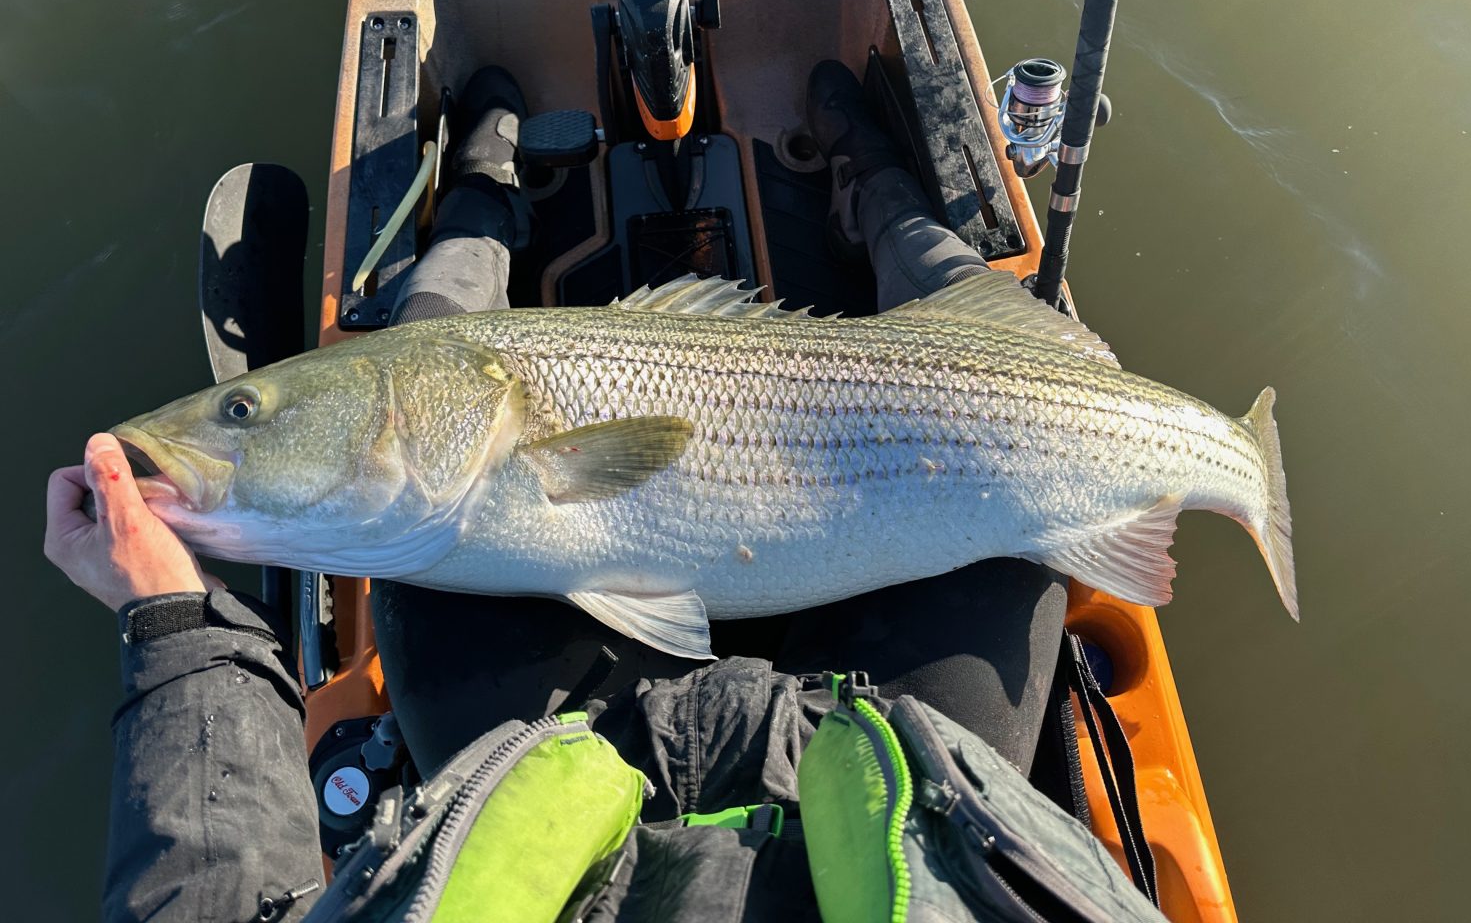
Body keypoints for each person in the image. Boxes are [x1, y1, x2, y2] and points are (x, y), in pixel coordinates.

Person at [46, 62, 1070, 922]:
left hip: (558, 783)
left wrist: (172, 616)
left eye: (245, 412)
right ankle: (880, 192)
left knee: (436, 346)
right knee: (974, 354)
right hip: (889, 783)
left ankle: (483, 199)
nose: (236, 418)